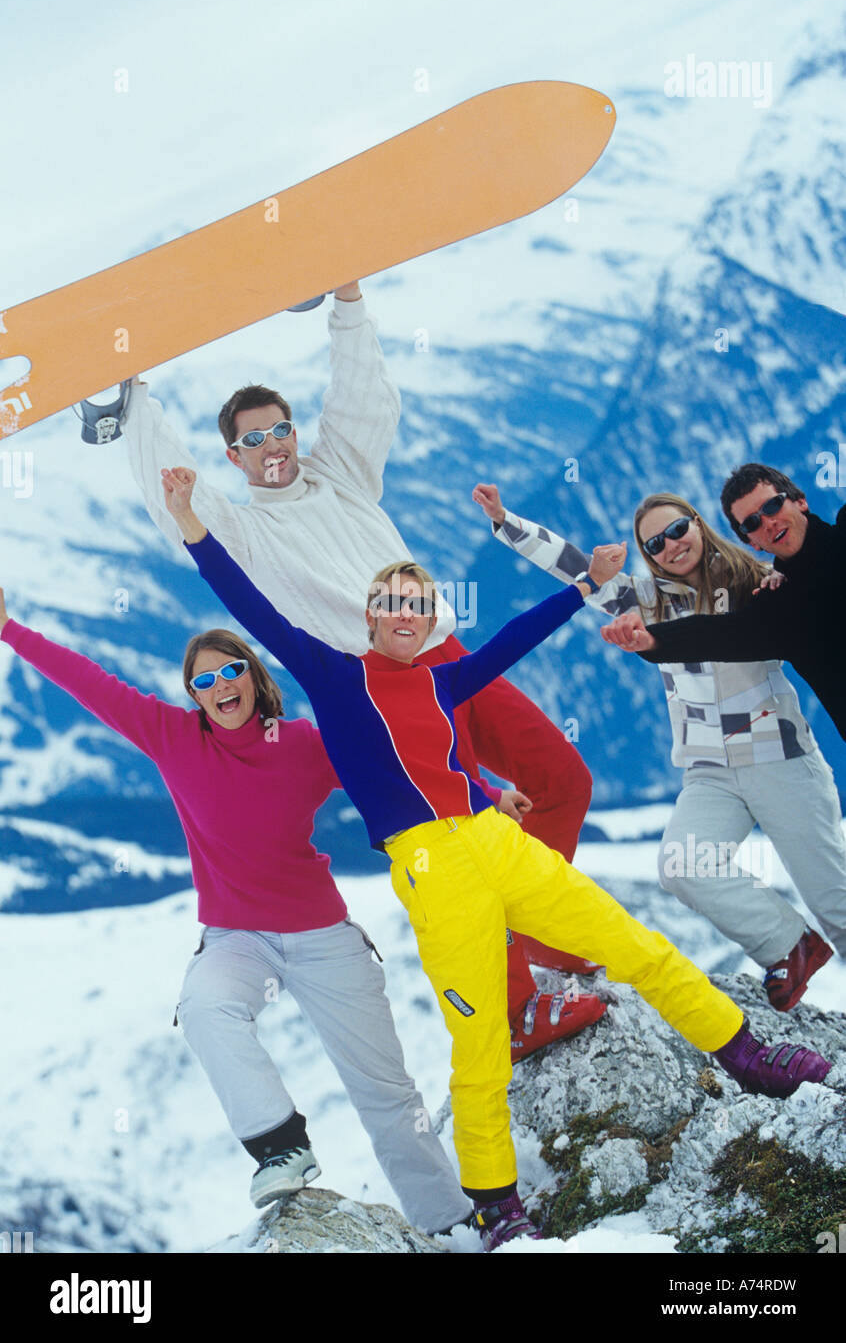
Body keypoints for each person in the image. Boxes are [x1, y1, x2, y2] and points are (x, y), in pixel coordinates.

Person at [162, 464, 832, 1252]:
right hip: (432, 870)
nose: (406, 616)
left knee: (637, 948)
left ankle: (748, 1054)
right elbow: (252, 606)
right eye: (392, 605)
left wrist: (585, 588)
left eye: (418, 605)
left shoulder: (441, 679)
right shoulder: (333, 676)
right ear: (370, 617)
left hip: (496, 843)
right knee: (479, 1042)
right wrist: (191, 524)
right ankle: (497, 1203)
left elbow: (511, 640)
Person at [116, 280, 598, 1057]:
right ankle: (516, 1010)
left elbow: (365, 401)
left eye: (280, 430)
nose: (272, 446)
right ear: (233, 457)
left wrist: (345, 300)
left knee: (563, 780)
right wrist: (136, 402)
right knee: (464, 838)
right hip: (380, 694)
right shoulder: (240, 527)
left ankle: (539, 929)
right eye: (252, 440)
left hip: (449, 659)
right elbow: (174, 497)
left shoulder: (340, 471)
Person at [0, 593, 471, 1236]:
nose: (220, 684)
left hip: (323, 935)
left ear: (254, 676)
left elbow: (397, 768)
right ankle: (280, 1145)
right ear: (193, 694)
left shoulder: (303, 743)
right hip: (236, 939)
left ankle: (449, 1226)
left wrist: (488, 795)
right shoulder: (172, 738)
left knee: (386, 1094)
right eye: (204, 679)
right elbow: (88, 680)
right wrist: (6, 628)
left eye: (231, 671)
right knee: (204, 1007)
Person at [472, 481, 846, 1008]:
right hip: (709, 774)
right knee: (682, 864)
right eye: (655, 544)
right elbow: (574, 564)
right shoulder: (642, 601)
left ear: (698, 524)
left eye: (677, 529)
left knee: (837, 904)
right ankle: (790, 944)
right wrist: (505, 520)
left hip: (780, 761)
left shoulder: (758, 583)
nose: (670, 545)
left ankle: (816, 935)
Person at [600, 464, 846, 740]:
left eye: (772, 506)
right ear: (751, 541)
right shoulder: (779, 611)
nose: (768, 522)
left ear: (800, 501)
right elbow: (716, 634)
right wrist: (651, 639)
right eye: (752, 523)